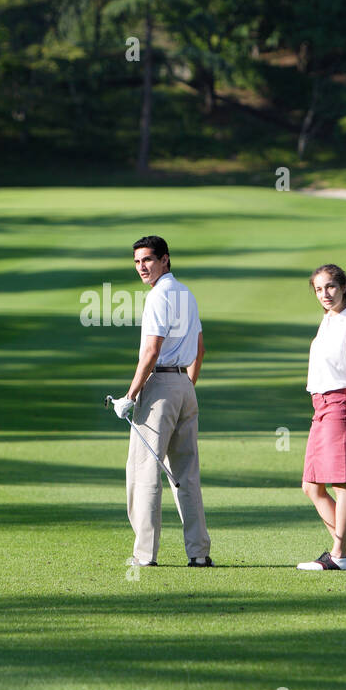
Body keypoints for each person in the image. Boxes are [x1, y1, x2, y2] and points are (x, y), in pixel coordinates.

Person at [110, 236, 212, 568]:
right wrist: (186, 386)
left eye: (148, 260)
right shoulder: (186, 293)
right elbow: (200, 349)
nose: (142, 266)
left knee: (145, 473)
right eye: (137, 261)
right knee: (186, 474)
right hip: (184, 384)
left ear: (165, 260)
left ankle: (145, 555)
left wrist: (130, 395)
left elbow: (151, 352)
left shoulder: (158, 297)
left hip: (161, 386)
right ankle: (198, 553)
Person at [298, 264, 346, 570]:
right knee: (311, 487)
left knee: (341, 484)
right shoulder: (330, 319)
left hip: (340, 406)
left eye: (330, 287)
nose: (324, 294)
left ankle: (339, 554)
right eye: (318, 289)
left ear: (343, 286)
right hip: (321, 407)